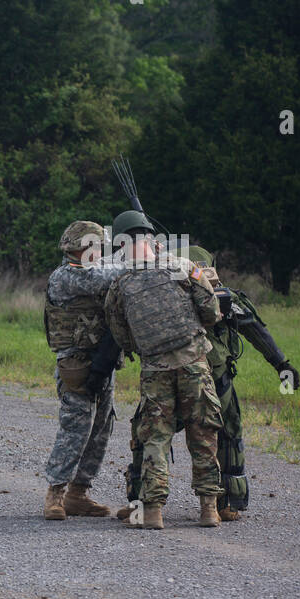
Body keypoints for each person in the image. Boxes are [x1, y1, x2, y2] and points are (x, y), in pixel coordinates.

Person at [119, 246, 300, 521]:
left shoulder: (161, 292)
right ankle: (225, 503)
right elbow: (256, 330)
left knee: (150, 433)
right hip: (212, 377)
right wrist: (281, 365)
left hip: (175, 375)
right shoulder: (222, 296)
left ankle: (143, 504)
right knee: (224, 434)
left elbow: (125, 326)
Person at [104, 213, 224, 529]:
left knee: (155, 438)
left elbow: (119, 332)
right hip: (193, 363)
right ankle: (209, 509)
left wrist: (142, 349)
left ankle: (153, 510)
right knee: (203, 433)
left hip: (154, 368)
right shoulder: (182, 268)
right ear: (152, 238)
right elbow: (211, 311)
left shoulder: (120, 283)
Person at [42, 220, 126, 520]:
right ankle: (55, 493)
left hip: (103, 363)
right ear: (82, 249)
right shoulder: (67, 275)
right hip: (76, 363)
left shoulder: (97, 269)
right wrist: (144, 262)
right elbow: (104, 277)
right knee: (75, 429)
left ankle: (78, 493)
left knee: (101, 429)